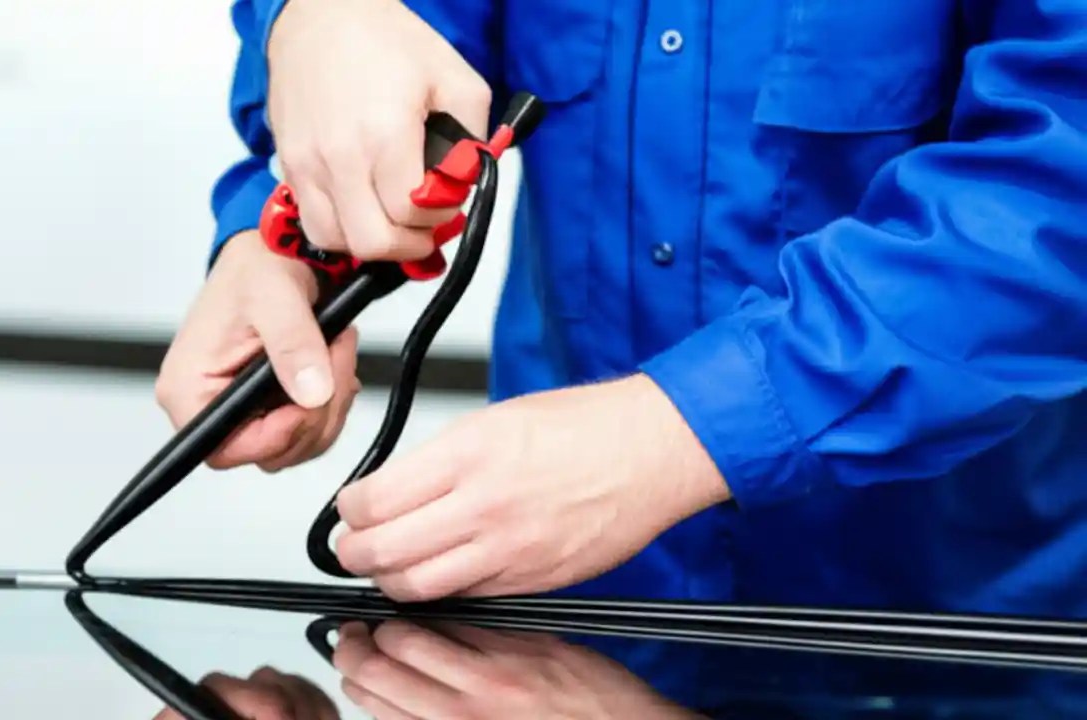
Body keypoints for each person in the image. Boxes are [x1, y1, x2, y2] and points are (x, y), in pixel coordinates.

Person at [155, 0, 1087, 614]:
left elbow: (1059, 194)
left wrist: (679, 434)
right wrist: (289, 221)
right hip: (547, 634)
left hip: (957, 636)